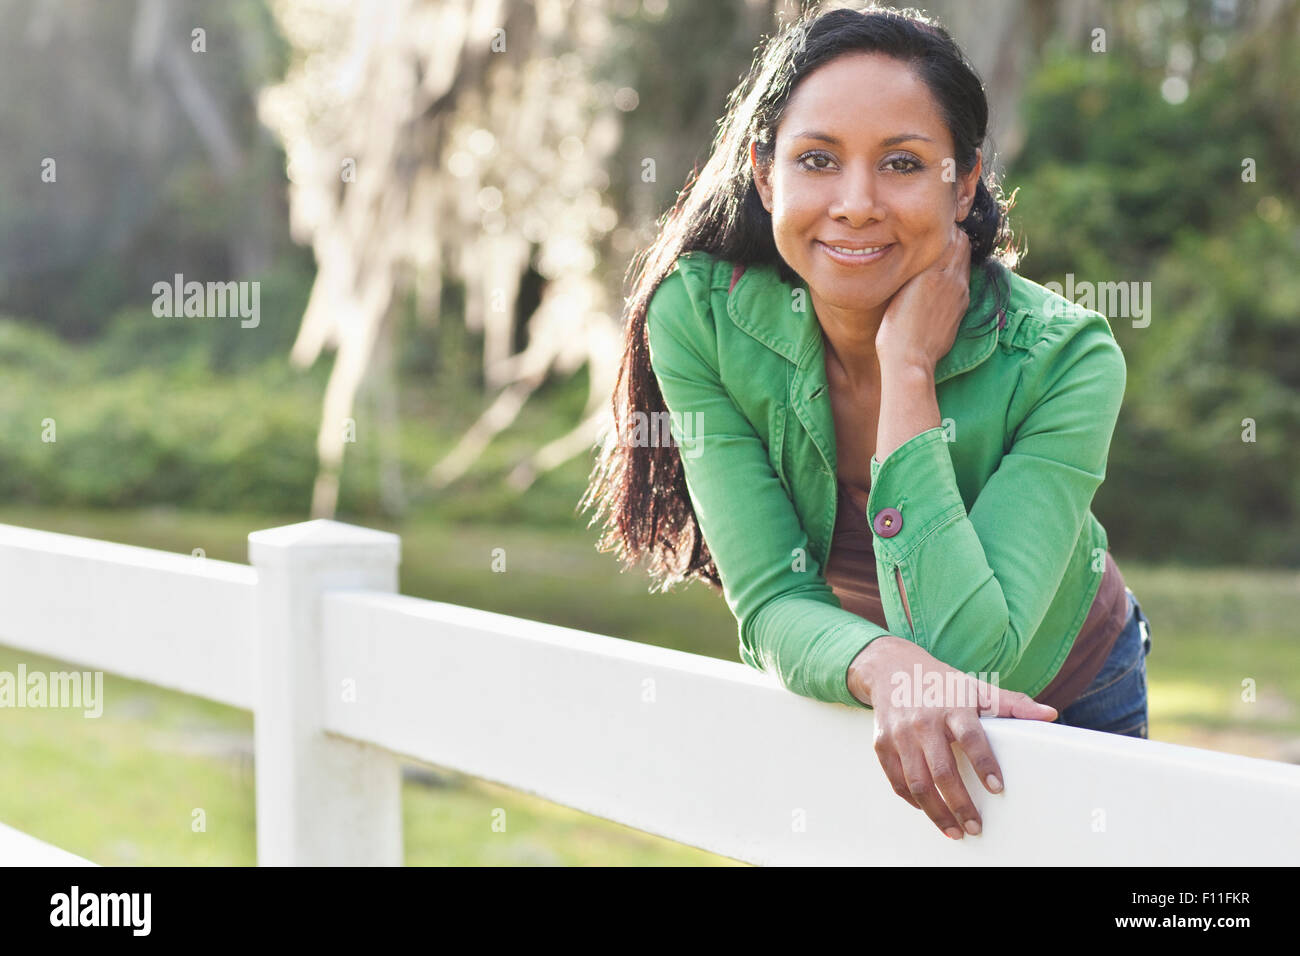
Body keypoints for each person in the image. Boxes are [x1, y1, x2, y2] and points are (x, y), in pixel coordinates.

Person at [580, 2, 1152, 842]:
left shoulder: (1066, 360)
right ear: (765, 174)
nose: (855, 203)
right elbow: (773, 600)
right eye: (817, 159)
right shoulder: (698, 317)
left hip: (1067, 693)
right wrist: (883, 667)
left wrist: (908, 369)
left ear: (963, 185)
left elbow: (970, 654)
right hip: (856, 689)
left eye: (902, 164)